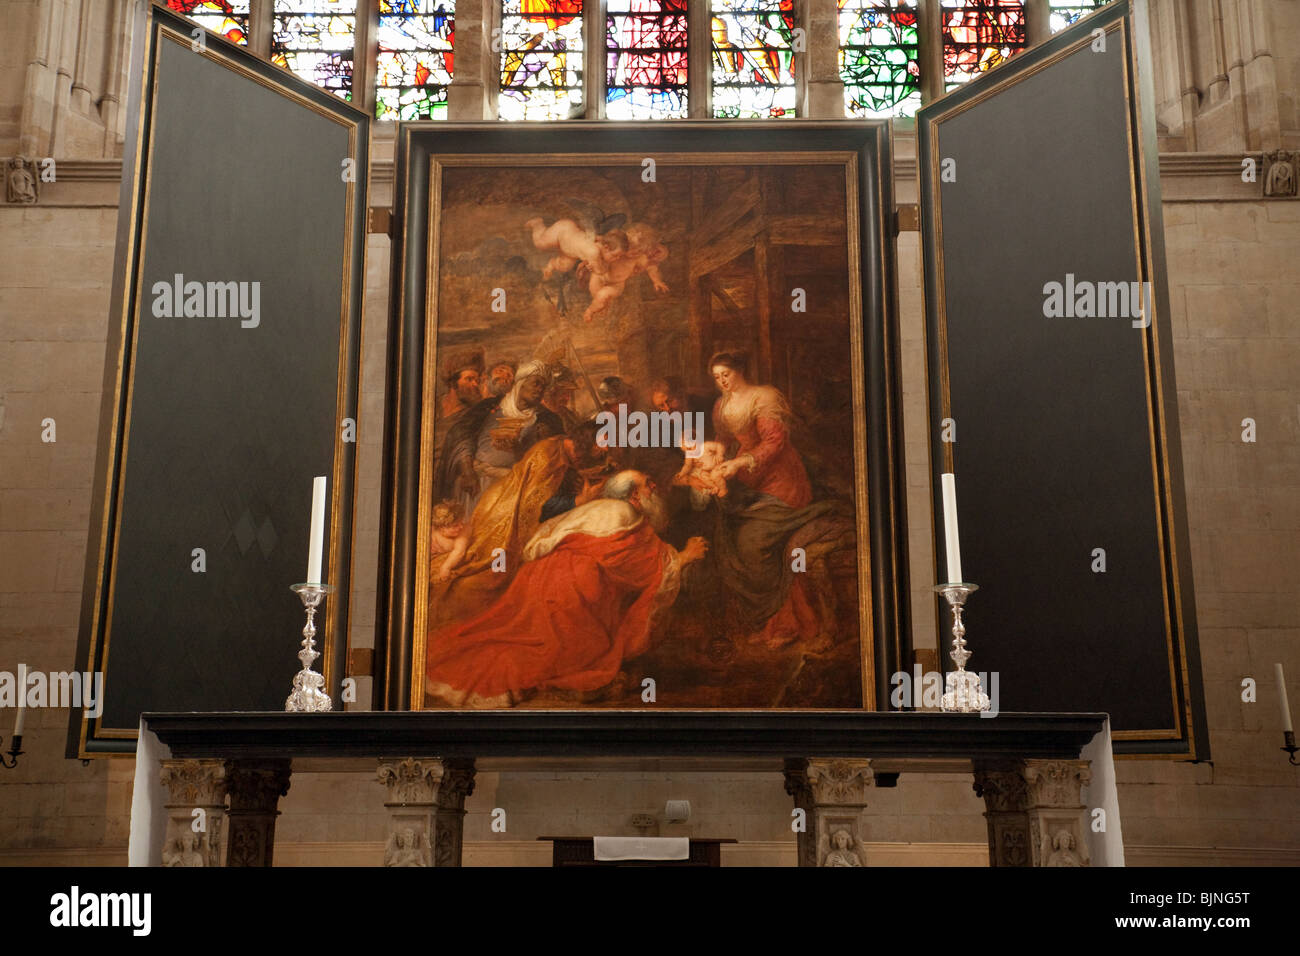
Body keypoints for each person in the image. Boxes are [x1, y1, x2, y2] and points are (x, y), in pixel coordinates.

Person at [425, 471, 708, 708]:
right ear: (634, 497)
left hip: (537, 578)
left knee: (516, 635)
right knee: (575, 655)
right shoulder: (627, 515)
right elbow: (644, 565)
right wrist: (684, 556)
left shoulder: (598, 508)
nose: (653, 487)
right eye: (647, 484)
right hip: (570, 592)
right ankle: (510, 685)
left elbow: (541, 539)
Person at [704, 351, 836, 648]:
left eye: (726, 373)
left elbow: (775, 443)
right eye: (716, 377)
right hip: (748, 477)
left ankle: (791, 624)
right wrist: (714, 456)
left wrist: (740, 463)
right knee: (736, 538)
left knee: (755, 542)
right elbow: (724, 438)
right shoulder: (721, 404)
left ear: (740, 370)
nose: (722, 380)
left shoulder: (762, 398)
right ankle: (772, 623)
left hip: (781, 479)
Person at [434, 360, 564, 514]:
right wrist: (468, 470)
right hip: (476, 483)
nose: (540, 390)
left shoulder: (546, 420)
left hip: (512, 489)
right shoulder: (489, 406)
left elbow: (545, 462)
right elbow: (461, 436)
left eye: (543, 387)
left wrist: (518, 450)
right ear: (521, 383)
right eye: (536, 383)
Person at [430, 500, 470, 583]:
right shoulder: (431, 531)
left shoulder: (464, 531)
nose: (461, 526)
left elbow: (459, 551)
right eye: (455, 525)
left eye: (461, 522)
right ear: (442, 528)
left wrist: (446, 567)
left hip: (449, 563)